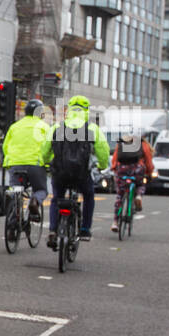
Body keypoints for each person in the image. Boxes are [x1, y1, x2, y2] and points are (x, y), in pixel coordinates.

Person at [42, 95, 109, 245]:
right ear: (86, 111)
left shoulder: (58, 127)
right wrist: (102, 165)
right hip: (81, 175)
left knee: (56, 198)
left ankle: (53, 230)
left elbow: (46, 148)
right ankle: (85, 229)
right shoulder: (91, 128)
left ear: (68, 110)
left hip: (60, 173)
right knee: (88, 195)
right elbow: (103, 151)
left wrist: (46, 163)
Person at [1, 100, 52, 223]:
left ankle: (12, 227)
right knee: (41, 190)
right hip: (35, 164)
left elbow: (5, 146)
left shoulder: (15, 126)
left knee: (15, 192)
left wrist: (10, 160)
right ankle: (35, 201)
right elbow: (50, 147)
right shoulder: (45, 127)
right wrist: (49, 162)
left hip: (15, 164)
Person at [109, 132, 154, 233]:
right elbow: (148, 161)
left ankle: (115, 222)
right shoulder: (143, 144)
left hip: (122, 169)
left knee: (120, 195)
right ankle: (138, 196)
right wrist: (149, 172)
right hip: (137, 168)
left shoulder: (122, 143)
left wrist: (115, 169)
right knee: (140, 184)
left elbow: (115, 159)